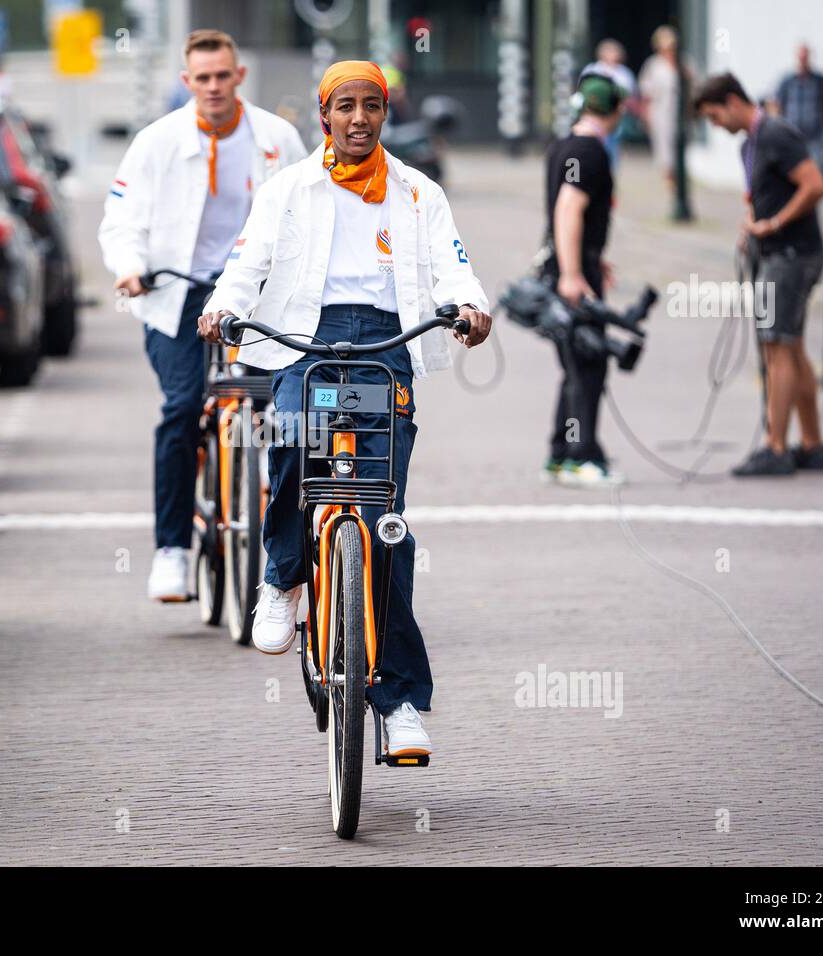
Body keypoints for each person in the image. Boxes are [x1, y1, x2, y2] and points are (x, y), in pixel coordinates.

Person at [197, 61, 492, 756]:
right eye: (345, 107)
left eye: (372, 107)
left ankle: (397, 705)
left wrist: (472, 306)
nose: (359, 119)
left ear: (385, 114)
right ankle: (283, 574)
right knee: (297, 445)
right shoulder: (288, 189)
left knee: (384, 525)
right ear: (323, 115)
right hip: (307, 341)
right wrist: (223, 308)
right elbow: (246, 263)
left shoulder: (419, 192)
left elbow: (453, 265)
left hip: (388, 345)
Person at [98, 29, 306, 602]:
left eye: (223, 75)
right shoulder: (156, 142)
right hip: (178, 295)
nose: (214, 86)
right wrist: (129, 266)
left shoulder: (277, 138)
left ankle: (277, 526)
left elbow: (309, 209)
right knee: (183, 407)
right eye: (202, 78)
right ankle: (172, 549)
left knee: (280, 412)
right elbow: (119, 221)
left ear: (239, 76)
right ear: (187, 82)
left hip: (258, 295)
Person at [693, 73, 823, 477]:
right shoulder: (751, 144)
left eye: (714, 115)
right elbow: (766, 195)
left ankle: (776, 446)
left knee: (775, 347)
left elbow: (815, 186)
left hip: (790, 255)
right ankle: (813, 445)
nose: (715, 125)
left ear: (734, 101)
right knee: (791, 346)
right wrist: (753, 225)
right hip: (779, 253)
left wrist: (772, 225)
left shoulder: (775, 134)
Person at [540, 71, 625, 487]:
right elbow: (570, 208)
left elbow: (565, 210)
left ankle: (560, 452)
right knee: (589, 363)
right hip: (574, 271)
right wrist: (576, 272)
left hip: (568, 261)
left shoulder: (562, 146)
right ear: (615, 109)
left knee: (573, 363)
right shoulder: (591, 151)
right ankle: (582, 455)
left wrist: (589, 256)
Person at [637, 25, 694, 212]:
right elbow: (646, 95)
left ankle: (681, 195)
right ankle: (674, 196)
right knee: (666, 159)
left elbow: (694, 88)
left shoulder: (684, 63)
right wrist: (646, 117)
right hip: (661, 116)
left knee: (681, 156)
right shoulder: (653, 65)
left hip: (681, 117)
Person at [768, 43, 823, 169]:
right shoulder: (787, 82)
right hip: (792, 136)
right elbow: (776, 107)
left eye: (805, 57)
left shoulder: (822, 82)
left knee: (816, 171)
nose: (803, 61)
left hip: (816, 137)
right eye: (801, 58)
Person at [584, 39, 636, 171]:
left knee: (612, 146)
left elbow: (630, 96)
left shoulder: (624, 73)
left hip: (613, 121)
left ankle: (609, 172)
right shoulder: (592, 69)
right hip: (595, 119)